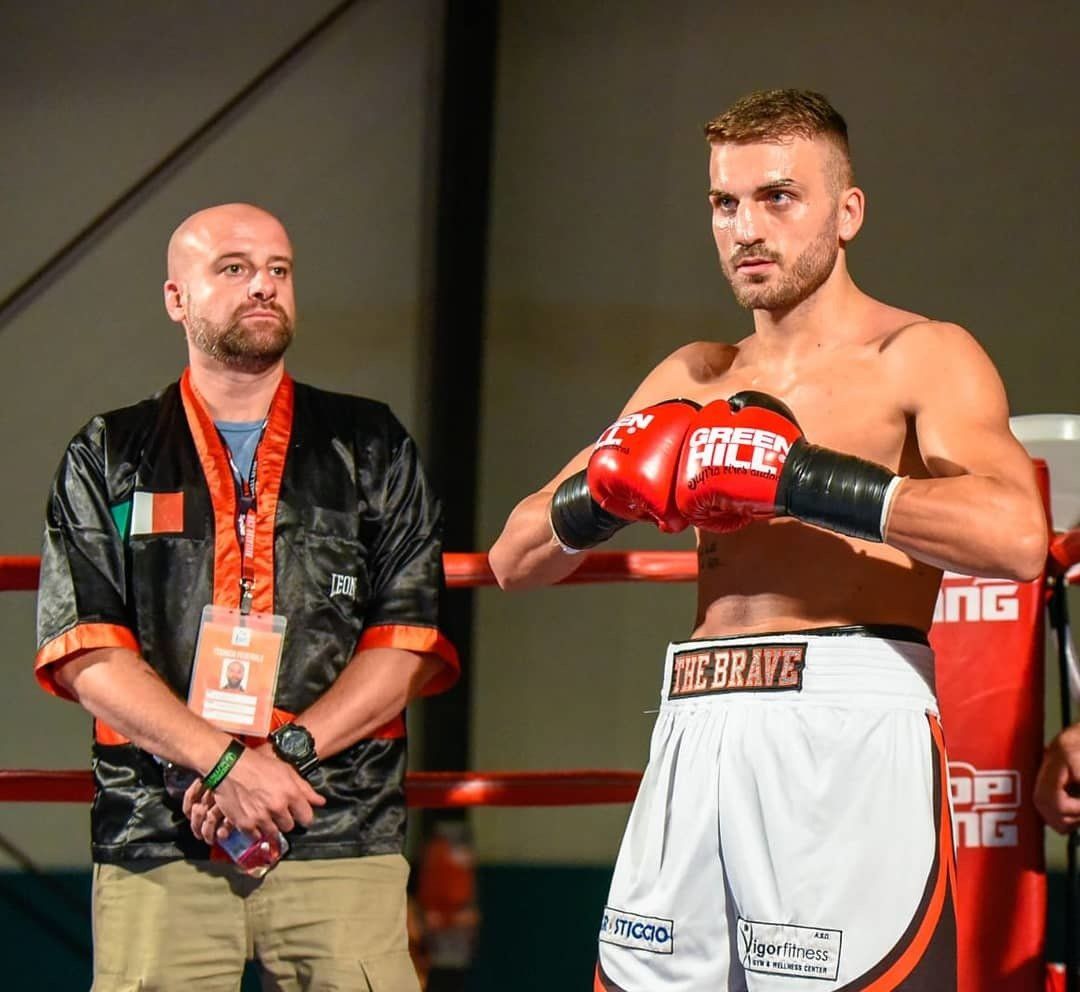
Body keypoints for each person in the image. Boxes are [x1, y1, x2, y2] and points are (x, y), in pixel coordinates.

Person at [488, 89, 1048, 991]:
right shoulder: (693, 375)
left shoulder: (919, 354)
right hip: (696, 721)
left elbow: (1017, 535)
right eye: (725, 203)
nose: (747, 228)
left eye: (778, 197)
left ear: (847, 211)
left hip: (844, 718)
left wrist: (801, 480)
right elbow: (515, 559)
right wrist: (600, 494)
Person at [34, 202, 459, 991]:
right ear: (176, 298)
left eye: (279, 270)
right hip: (159, 830)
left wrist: (278, 760)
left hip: (337, 820)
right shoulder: (108, 452)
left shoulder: (371, 443)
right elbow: (87, 650)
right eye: (233, 268)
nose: (263, 285)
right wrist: (222, 762)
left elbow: (406, 641)